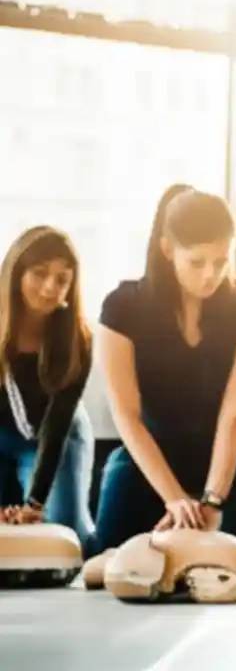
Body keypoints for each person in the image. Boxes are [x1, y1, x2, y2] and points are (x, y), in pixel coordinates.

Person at [94, 184, 236, 552]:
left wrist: (212, 501)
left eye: (221, 261)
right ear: (167, 249)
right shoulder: (121, 308)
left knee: (233, 558)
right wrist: (176, 500)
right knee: (108, 556)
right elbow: (127, 417)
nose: (210, 275)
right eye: (197, 262)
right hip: (152, 459)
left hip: (234, 461)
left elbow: (235, 414)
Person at [0, 226, 96, 548]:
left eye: (62, 279)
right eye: (39, 274)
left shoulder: (77, 339)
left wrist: (35, 504)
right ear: (16, 273)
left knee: (66, 537)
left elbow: (57, 425)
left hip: (57, 434)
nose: (48, 288)